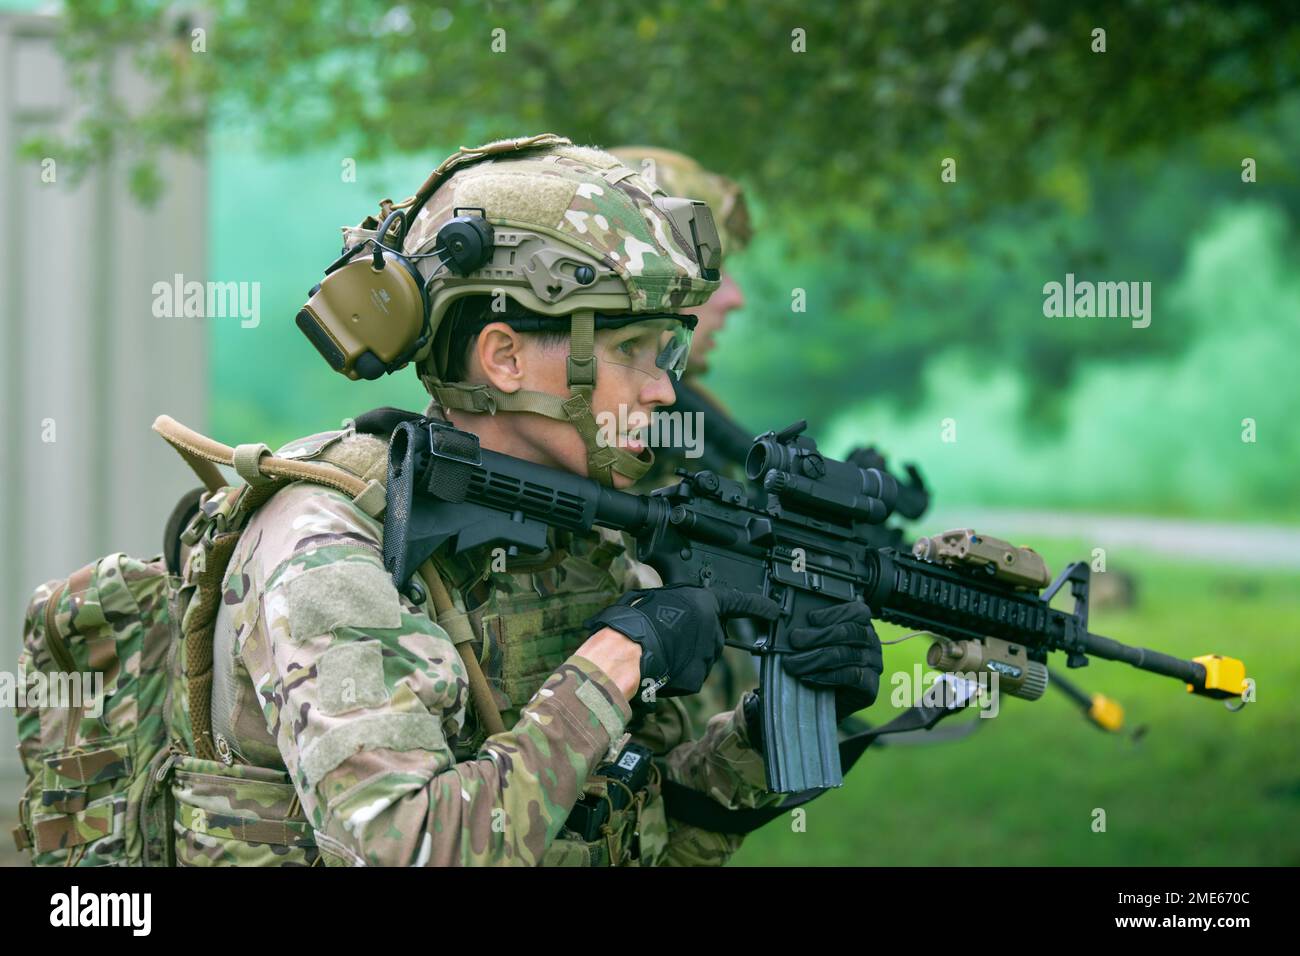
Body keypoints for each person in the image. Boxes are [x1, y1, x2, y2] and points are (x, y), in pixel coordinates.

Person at [203, 134, 882, 867]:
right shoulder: (331, 546)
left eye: (668, 353)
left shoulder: (581, 535)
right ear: (504, 357)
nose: (662, 390)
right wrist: (616, 661)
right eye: (631, 349)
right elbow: (403, 849)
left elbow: (640, 837)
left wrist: (760, 737)